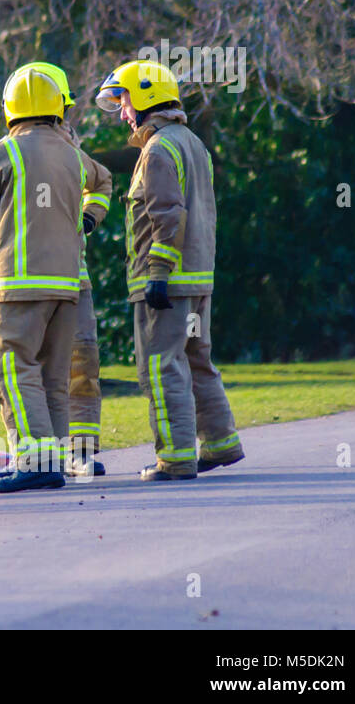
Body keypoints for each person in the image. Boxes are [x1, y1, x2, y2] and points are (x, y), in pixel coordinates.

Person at [95, 59, 244, 480]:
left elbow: (167, 214)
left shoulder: (158, 150)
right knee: (198, 359)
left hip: (167, 282)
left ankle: (175, 459)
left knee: (162, 366)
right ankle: (220, 443)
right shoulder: (192, 143)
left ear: (144, 98)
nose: (123, 113)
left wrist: (158, 272)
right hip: (197, 279)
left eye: (124, 101)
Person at [0, 66, 90, 492]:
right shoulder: (73, 154)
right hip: (67, 284)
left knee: (13, 370)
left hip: (17, 283)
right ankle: (53, 460)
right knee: (51, 377)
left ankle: (36, 462)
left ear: (10, 109)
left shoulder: (4, 153)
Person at [7, 63, 114, 477]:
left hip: (66, 279)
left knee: (70, 364)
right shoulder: (20, 152)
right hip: (48, 280)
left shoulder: (69, 151)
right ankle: (50, 456)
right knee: (57, 366)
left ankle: (78, 453)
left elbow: (102, 183)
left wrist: (88, 219)